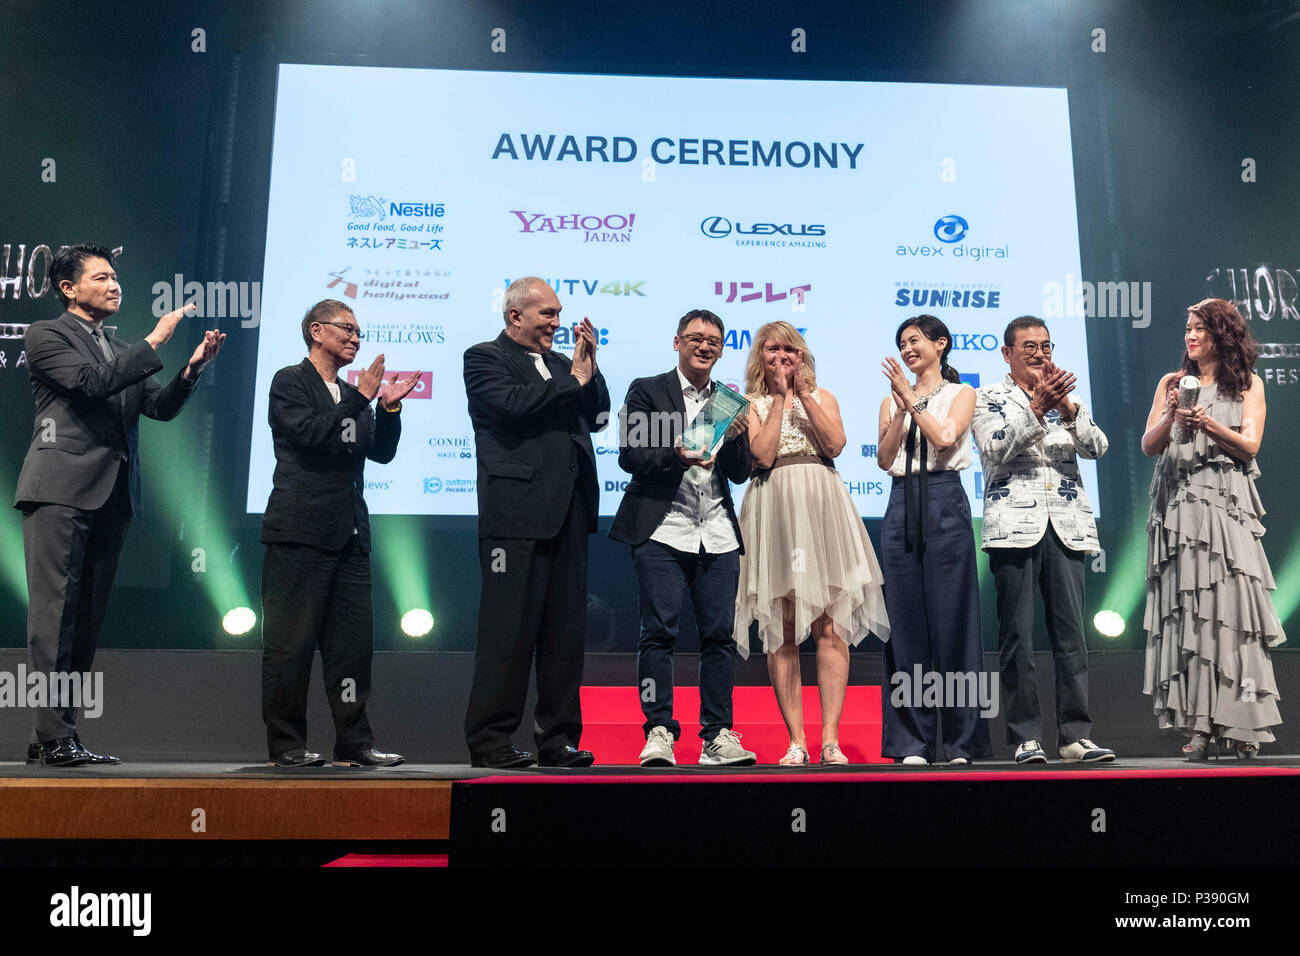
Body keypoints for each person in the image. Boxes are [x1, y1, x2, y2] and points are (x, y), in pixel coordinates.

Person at [16, 243, 224, 767]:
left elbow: (156, 407)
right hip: (60, 490)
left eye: (116, 278)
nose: (115, 285)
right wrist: (156, 340)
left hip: (112, 495)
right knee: (54, 617)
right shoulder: (47, 335)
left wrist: (191, 370)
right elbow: (88, 385)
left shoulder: (117, 346)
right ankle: (50, 732)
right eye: (102, 277)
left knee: (85, 620)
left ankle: (59, 735)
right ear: (68, 288)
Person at [260, 299, 419, 767]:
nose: (355, 338)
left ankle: (355, 741)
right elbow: (310, 436)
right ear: (316, 331)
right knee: (290, 646)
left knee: (351, 649)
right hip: (299, 531)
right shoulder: (290, 381)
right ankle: (286, 744)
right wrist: (361, 398)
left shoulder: (352, 394)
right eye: (346, 329)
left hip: (350, 535)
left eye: (358, 332)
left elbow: (379, 453)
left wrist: (388, 411)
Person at [463, 277, 610, 769]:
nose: (556, 322)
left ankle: (558, 739)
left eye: (558, 312)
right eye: (547, 313)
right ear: (515, 316)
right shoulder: (483, 357)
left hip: (569, 512)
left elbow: (599, 414)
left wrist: (590, 366)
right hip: (516, 516)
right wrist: (574, 378)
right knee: (508, 633)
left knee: (565, 635)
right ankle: (491, 740)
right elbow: (512, 406)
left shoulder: (562, 365)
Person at [733, 321, 890, 765]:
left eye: (790, 349)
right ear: (759, 356)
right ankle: (797, 741)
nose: (781, 356)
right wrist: (781, 396)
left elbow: (836, 444)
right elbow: (761, 455)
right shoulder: (750, 403)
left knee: (830, 624)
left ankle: (831, 741)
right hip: (773, 508)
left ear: (802, 355)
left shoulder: (823, 397)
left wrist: (801, 393)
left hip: (822, 506)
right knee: (782, 628)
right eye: (771, 349)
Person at [609, 308, 756, 768]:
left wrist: (735, 439)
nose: (704, 345)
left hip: (716, 531)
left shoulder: (730, 400)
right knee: (658, 632)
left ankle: (717, 735)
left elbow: (739, 472)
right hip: (662, 529)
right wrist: (676, 454)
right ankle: (658, 732)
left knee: (719, 637)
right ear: (677, 343)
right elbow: (630, 456)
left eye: (713, 340)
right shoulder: (648, 390)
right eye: (695, 338)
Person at [1140, 298, 1284, 759]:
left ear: (1221, 335)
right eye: (1187, 328)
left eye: (1199, 328)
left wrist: (1208, 425)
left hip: (1224, 508)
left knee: (1233, 616)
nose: (1190, 336)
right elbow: (1148, 446)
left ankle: (1241, 723)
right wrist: (1171, 416)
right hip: (1178, 506)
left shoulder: (1247, 384)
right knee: (1189, 617)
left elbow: (1250, 445)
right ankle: (1199, 725)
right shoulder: (1172, 383)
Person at [972, 316, 1114, 763]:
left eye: (1046, 345)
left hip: (1068, 527)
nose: (1039, 353)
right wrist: (1036, 408)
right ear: (1007, 353)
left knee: (1072, 638)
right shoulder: (987, 397)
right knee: (1017, 636)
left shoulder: (1066, 396)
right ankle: (1025, 735)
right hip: (1013, 529)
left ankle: (1074, 736)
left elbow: (1097, 448)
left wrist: (1067, 409)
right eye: (1029, 345)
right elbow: (995, 449)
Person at [876, 315, 991, 766]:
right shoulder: (891, 402)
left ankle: (961, 743)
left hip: (945, 499)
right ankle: (912, 742)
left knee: (954, 623)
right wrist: (900, 407)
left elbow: (945, 438)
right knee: (904, 628)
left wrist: (912, 400)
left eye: (915, 340)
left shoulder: (961, 393)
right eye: (902, 342)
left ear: (940, 344)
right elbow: (886, 459)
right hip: (901, 502)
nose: (907, 349)